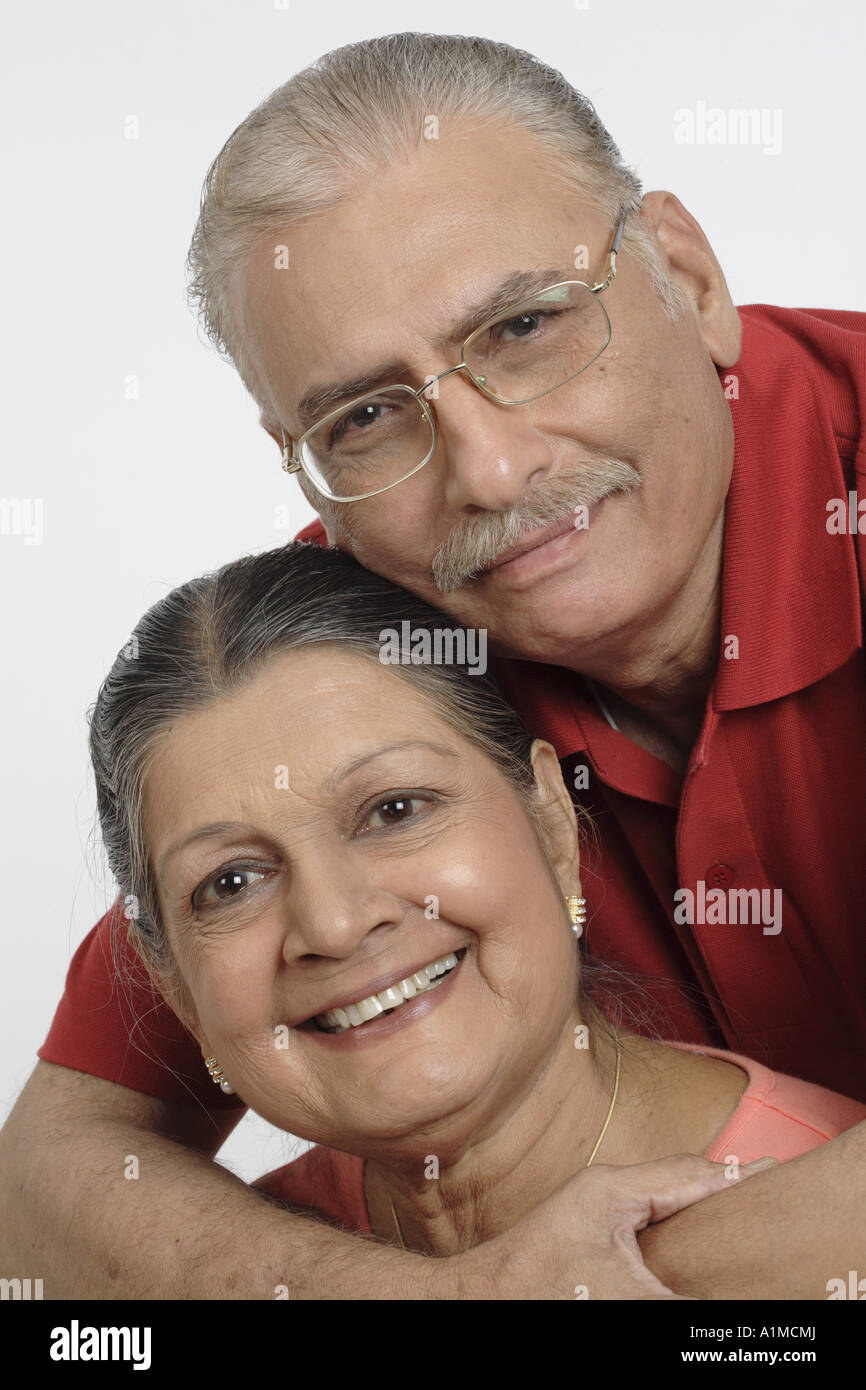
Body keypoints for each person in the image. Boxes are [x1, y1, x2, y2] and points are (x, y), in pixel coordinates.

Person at [2, 32, 865, 1300]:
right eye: (362, 416)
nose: (489, 471)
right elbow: (53, 1178)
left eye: (523, 326)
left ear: (684, 274)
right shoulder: (359, 650)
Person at [90, 540, 866, 1281]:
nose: (334, 924)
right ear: (175, 988)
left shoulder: (817, 1215)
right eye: (231, 883)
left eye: (395, 809)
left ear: (555, 824)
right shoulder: (201, 1280)